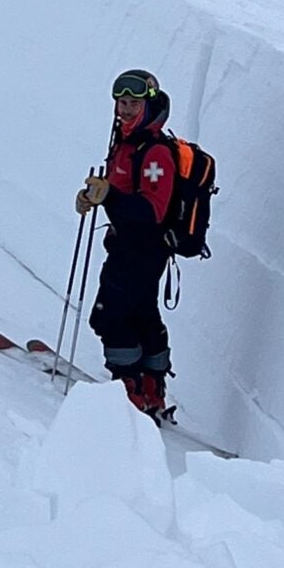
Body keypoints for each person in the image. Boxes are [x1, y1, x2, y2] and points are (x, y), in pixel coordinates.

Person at [76, 67, 178, 418]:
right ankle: (151, 388)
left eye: (134, 103)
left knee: (110, 316)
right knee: (141, 312)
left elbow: (153, 210)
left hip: (142, 248)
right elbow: (119, 189)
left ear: (148, 105)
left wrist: (108, 198)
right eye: (121, 102)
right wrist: (94, 196)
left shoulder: (155, 151)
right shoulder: (126, 141)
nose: (125, 109)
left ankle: (129, 390)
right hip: (130, 245)